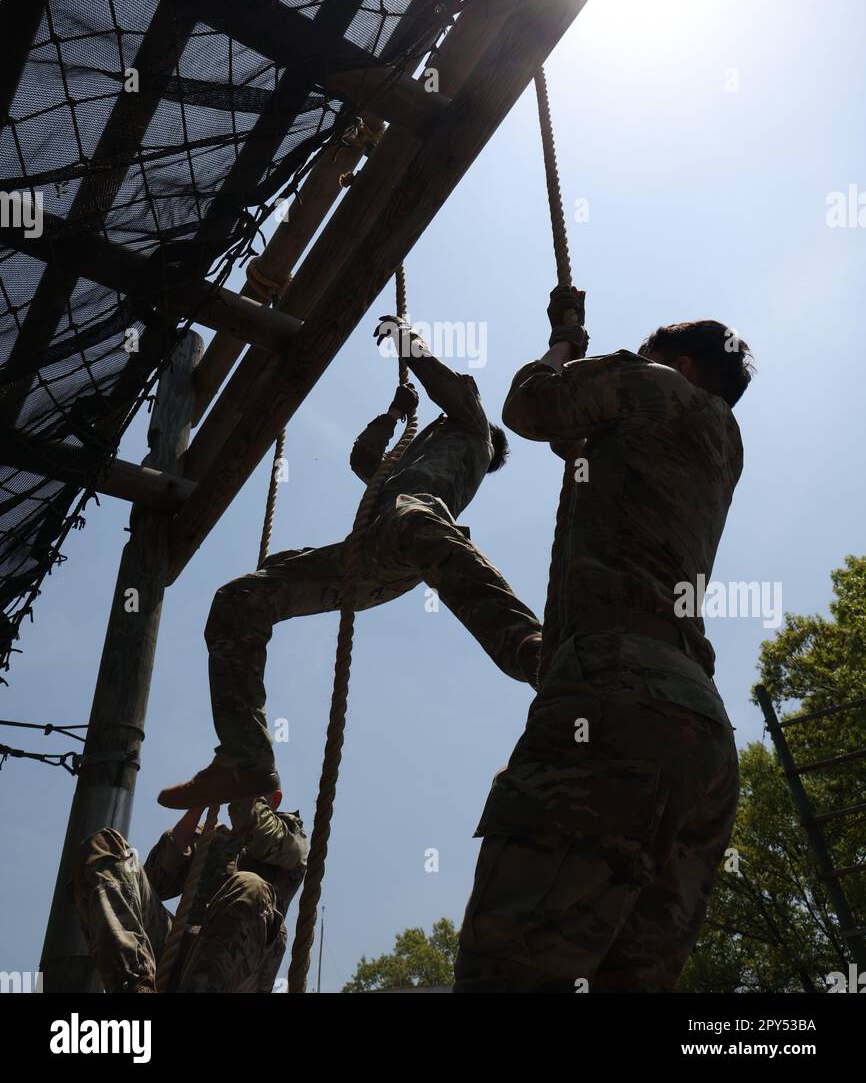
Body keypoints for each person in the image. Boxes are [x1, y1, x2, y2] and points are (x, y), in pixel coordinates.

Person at [454, 288, 754, 993]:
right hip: (700, 731)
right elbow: (577, 441)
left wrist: (562, 340)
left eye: (648, 353)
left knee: (510, 973)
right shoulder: (719, 441)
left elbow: (530, 404)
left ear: (678, 363)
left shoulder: (654, 386)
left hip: (618, 693)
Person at [158, 316, 542, 810]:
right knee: (239, 598)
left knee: (412, 517)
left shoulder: (473, 432)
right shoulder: (409, 464)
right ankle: (245, 756)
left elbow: (447, 384)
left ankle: (541, 658)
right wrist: (391, 416)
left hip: (411, 530)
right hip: (369, 556)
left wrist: (408, 339)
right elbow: (365, 461)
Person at [71, 795, 308, 993]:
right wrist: (199, 802)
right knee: (107, 847)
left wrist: (245, 783)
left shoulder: (291, 837)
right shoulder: (212, 838)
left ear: (275, 799)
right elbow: (154, 881)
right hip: (183, 954)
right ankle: (135, 986)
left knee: (251, 886)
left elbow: (259, 830)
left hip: (240, 970)